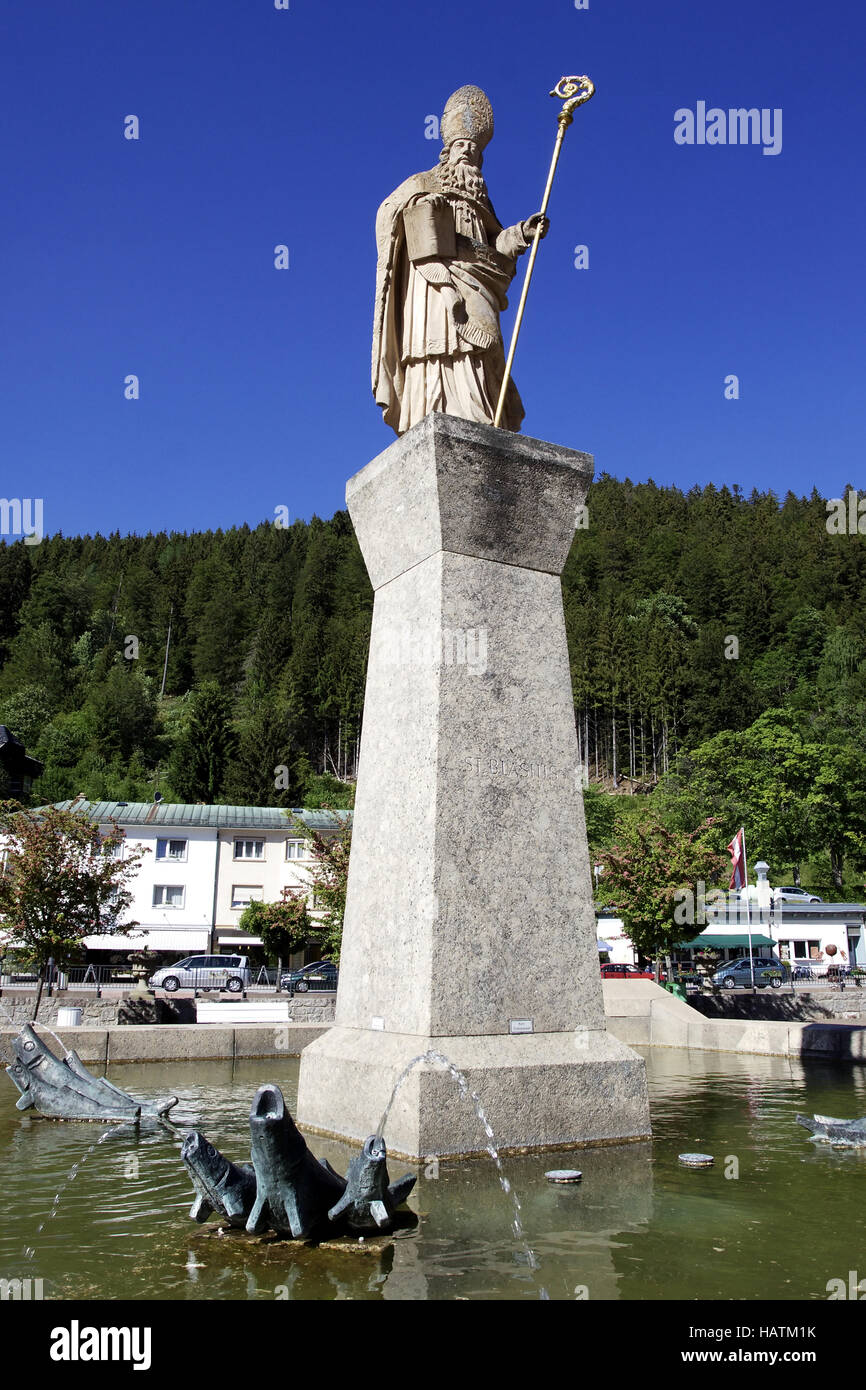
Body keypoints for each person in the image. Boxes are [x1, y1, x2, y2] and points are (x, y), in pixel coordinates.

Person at [372, 85, 548, 436]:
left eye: (473, 148)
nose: (467, 151)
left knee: (482, 344)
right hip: (433, 282)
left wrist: (521, 233)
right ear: (446, 151)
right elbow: (388, 213)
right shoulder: (423, 183)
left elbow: (496, 241)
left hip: (478, 280)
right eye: (460, 146)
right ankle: (430, 410)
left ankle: (478, 411)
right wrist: (419, 210)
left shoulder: (480, 200)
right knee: (439, 342)